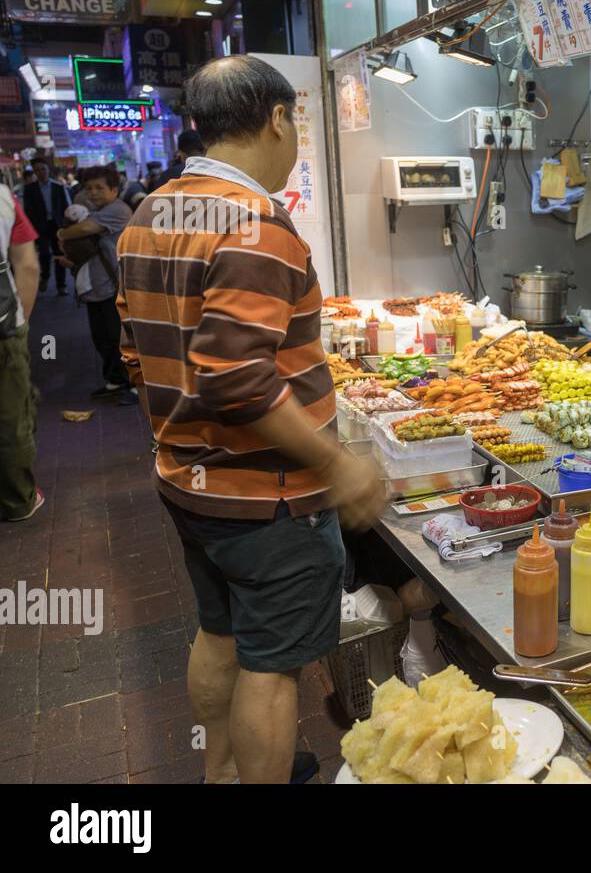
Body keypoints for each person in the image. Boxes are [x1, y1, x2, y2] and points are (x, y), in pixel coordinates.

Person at [117, 55, 387, 783]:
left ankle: (224, 772)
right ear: (275, 118)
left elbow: (136, 352)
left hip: (187, 481)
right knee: (274, 670)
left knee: (221, 631)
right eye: (294, 120)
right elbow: (236, 376)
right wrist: (336, 465)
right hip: (267, 501)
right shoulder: (256, 223)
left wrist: (179, 441)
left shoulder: (151, 212)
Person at [56, 165, 136, 404]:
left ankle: (134, 386)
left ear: (114, 189)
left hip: (116, 287)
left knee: (120, 339)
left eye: (100, 188)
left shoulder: (117, 209)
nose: (93, 193)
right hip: (97, 289)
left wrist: (62, 233)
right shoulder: (95, 210)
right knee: (102, 338)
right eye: (89, 188)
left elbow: (83, 229)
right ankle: (115, 381)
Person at [0, 190, 44, 521]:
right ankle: (18, 500)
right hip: (3, 331)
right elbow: (27, 266)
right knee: (10, 416)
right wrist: (21, 324)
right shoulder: (2, 198)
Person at [21, 156, 71, 295]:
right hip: (40, 226)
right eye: (37, 170)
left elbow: (65, 206)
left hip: (56, 225)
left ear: (48, 169)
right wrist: (33, 226)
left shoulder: (58, 187)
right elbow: (28, 210)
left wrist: (65, 225)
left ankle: (61, 285)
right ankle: (45, 276)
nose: (41, 172)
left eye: (43, 169)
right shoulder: (30, 189)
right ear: (35, 173)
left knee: (59, 253)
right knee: (44, 254)